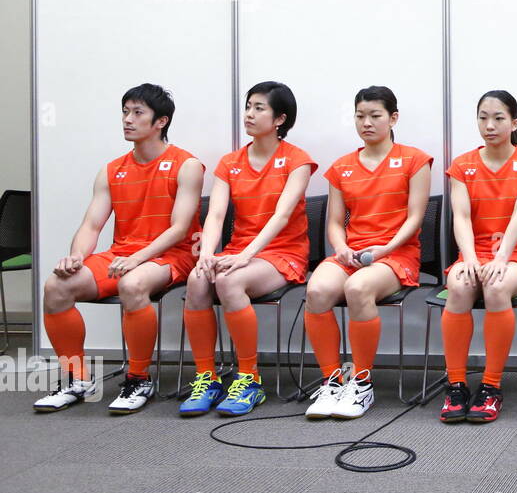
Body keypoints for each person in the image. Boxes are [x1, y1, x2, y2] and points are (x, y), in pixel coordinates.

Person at [35, 84, 203, 414]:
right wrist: (77, 257)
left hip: (174, 255)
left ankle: (139, 378)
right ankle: (76, 377)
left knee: (133, 284)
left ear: (161, 122)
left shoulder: (187, 165)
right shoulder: (111, 170)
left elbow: (180, 228)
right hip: (123, 253)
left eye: (137, 113)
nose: (127, 119)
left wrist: (138, 259)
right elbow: (91, 225)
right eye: (125, 112)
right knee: (57, 286)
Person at [179, 82, 316, 417]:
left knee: (228, 282)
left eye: (259, 108)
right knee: (198, 280)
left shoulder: (297, 160)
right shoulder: (230, 163)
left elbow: (282, 215)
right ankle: (206, 377)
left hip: (282, 252)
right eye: (248, 106)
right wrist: (208, 254)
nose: (250, 114)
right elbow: (215, 213)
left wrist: (244, 256)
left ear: (280, 118)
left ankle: (249, 378)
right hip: (240, 250)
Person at [301, 86, 432, 420]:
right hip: (352, 253)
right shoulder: (342, 166)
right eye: (360, 116)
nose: (367, 123)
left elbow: (416, 216)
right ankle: (333, 378)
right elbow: (334, 221)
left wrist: (386, 247)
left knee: (357, 289)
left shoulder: (415, 160)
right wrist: (342, 248)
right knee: (316, 290)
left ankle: (361, 382)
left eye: (375, 116)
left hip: (396, 255)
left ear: (393, 118)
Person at [439, 91, 517, 425]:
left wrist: (501, 257)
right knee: (459, 286)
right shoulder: (462, 165)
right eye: (483, 117)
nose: (489, 125)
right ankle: (456, 384)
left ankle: (490, 386)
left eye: (499, 118)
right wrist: (470, 257)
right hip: (475, 252)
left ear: (514, 123)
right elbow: (460, 217)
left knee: (496, 287)